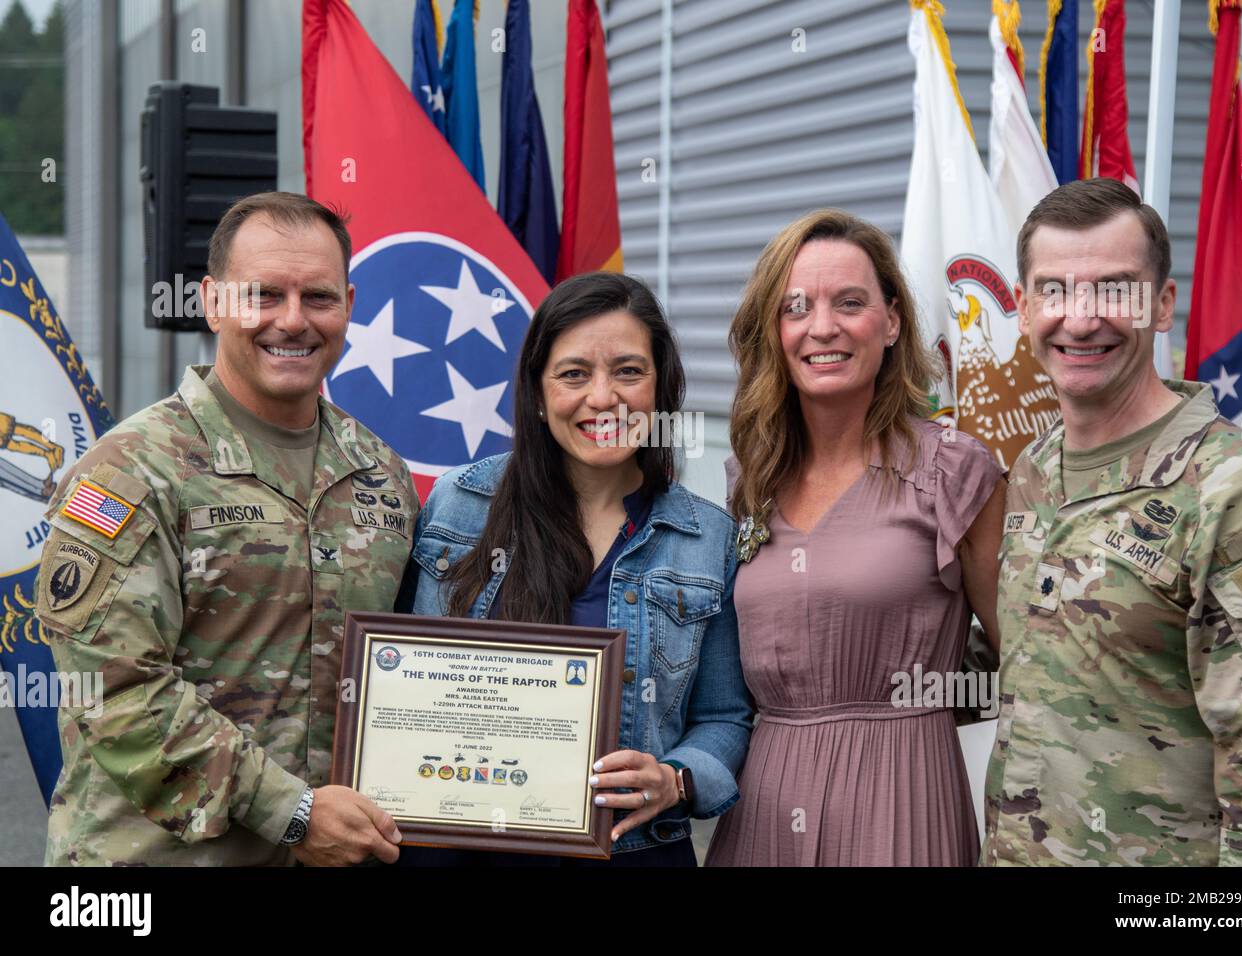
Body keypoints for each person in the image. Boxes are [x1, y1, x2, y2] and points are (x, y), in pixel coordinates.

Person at [36, 192, 417, 866]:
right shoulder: (131, 471)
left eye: (319, 297)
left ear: (350, 305)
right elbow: (118, 692)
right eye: (262, 295)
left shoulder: (380, 473)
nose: (292, 321)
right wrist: (294, 814)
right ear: (212, 302)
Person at [984, 178, 1242, 866]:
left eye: (1114, 290)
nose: (1081, 318)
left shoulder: (1240, 494)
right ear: (1024, 307)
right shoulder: (1033, 472)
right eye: (1055, 290)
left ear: (1161, 305)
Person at [399, 271, 752, 866]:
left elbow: (724, 716)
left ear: (661, 389)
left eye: (628, 371)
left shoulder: (708, 538)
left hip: (632, 850)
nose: (603, 397)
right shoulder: (459, 503)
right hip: (459, 845)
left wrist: (676, 778)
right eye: (574, 373)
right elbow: (406, 683)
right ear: (537, 393)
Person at [705, 209, 1006, 867]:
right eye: (796, 307)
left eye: (850, 303)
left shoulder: (958, 469)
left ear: (892, 321)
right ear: (773, 330)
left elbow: (1029, 661)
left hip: (903, 798)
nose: (823, 327)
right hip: (764, 802)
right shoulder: (747, 480)